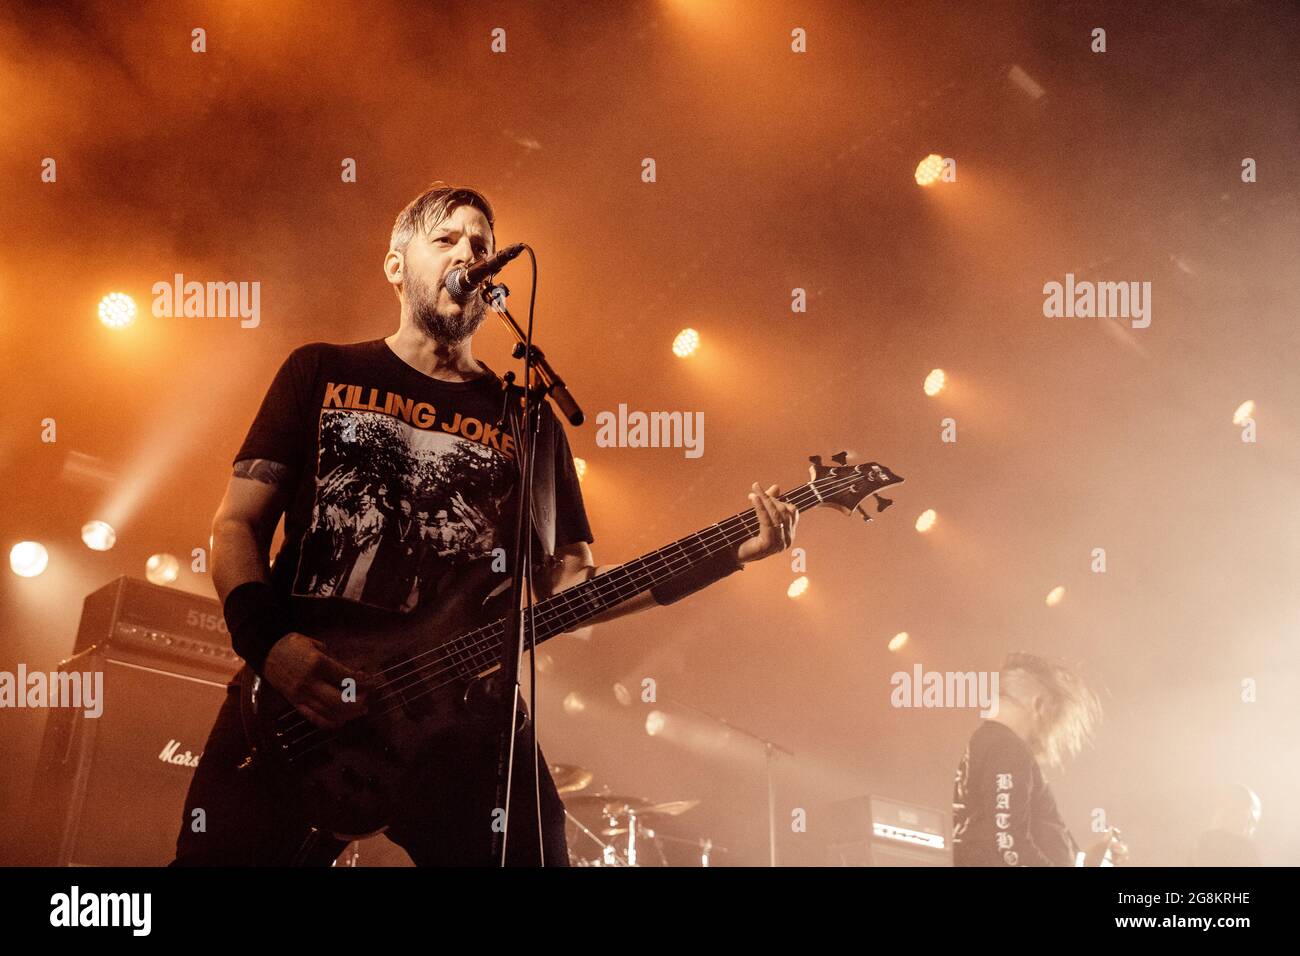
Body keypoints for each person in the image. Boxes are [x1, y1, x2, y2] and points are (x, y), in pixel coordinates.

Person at [172, 182, 799, 866]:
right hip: (301, 703)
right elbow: (236, 524)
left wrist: (727, 554)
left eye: (482, 246)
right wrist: (270, 647)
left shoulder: (529, 418)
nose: (467, 253)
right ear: (395, 264)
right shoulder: (322, 369)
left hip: (461, 717)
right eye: (445, 239)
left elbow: (571, 589)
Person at [952, 652, 1125, 866]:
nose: (1050, 728)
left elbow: (1005, 841)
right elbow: (1009, 845)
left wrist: (1089, 860)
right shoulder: (1007, 748)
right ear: (1039, 705)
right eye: (1054, 714)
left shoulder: (988, 744)